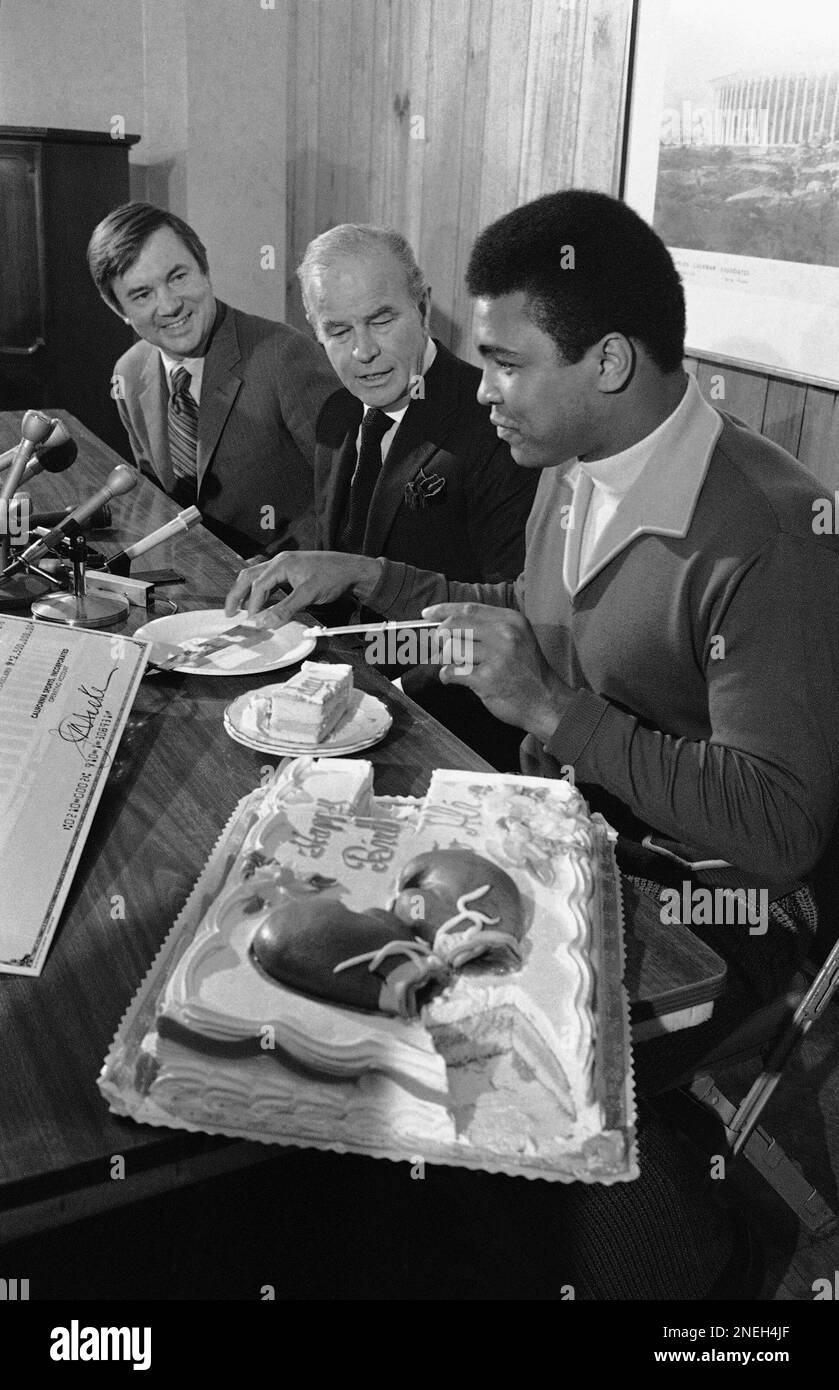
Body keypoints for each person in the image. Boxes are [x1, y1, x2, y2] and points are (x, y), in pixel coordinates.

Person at [226, 190, 839, 1297]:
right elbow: (527, 608)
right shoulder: (574, 459)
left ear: (607, 361)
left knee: (419, 1046)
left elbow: (780, 826)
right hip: (565, 832)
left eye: (505, 362)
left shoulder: (771, 533)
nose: (481, 386)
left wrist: (556, 717)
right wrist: (367, 577)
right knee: (307, 942)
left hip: (719, 904)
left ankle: (663, 1253)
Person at [284, 222, 538, 766]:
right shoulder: (336, 413)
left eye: (382, 320)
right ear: (315, 330)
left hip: (449, 725)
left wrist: (379, 682)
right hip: (337, 697)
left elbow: (512, 619)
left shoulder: (496, 428)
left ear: (421, 306)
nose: (363, 352)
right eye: (338, 330)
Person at [87, 202, 338, 557]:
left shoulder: (284, 355)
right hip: (193, 583)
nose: (170, 305)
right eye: (143, 295)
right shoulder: (128, 373)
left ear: (204, 269)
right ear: (119, 310)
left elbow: (351, 491)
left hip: (296, 593)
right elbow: (158, 498)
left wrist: (280, 565)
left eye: (178, 277)